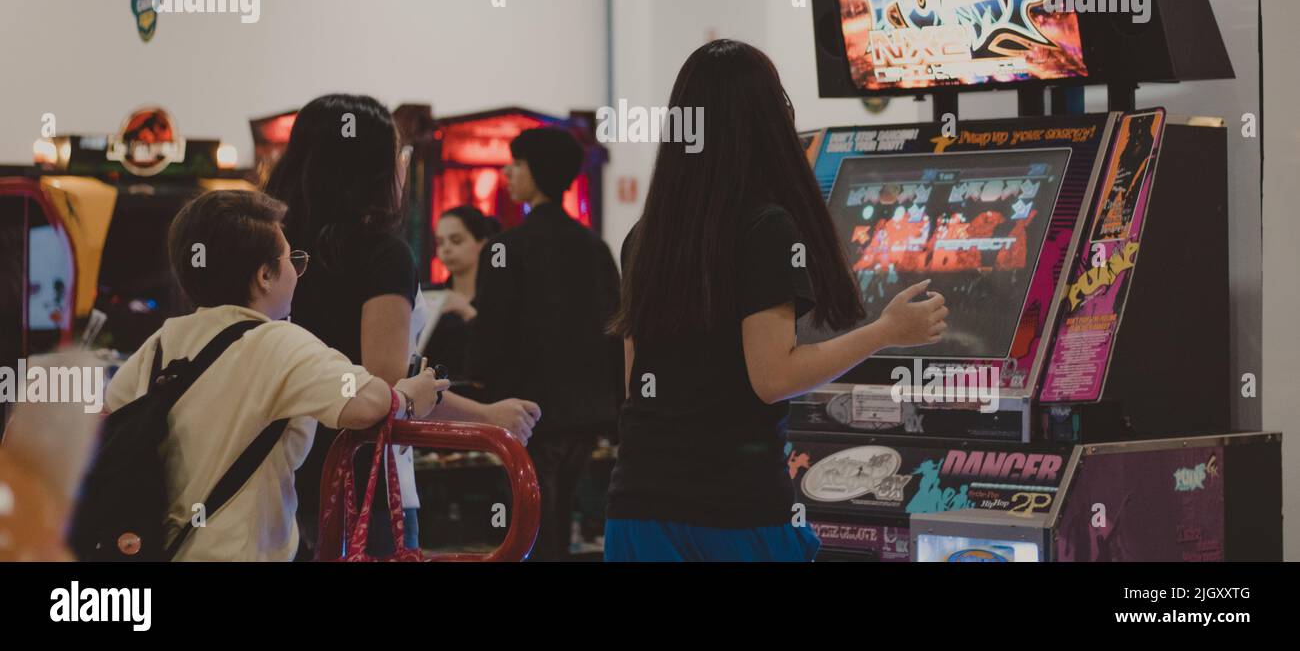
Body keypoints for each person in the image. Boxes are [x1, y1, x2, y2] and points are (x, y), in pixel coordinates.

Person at [605, 39, 947, 562]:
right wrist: (886, 331)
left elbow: (636, 382)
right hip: (732, 507)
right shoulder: (765, 228)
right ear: (766, 121)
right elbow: (773, 378)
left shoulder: (643, 236)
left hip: (637, 506)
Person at [264, 94, 540, 558]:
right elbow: (386, 387)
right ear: (375, 167)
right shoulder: (380, 254)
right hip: (358, 475)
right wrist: (488, 417)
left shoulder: (269, 246)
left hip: (271, 470)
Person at [103, 190, 446, 561]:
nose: (296, 274)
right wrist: (410, 395)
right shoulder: (276, 343)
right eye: (290, 261)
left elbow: (112, 420)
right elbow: (367, 402)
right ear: (265, 275)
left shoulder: (158, 346)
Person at [467, 126, 621, 560]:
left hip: (529, 411)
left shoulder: (504, 248)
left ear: (536, 172)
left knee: (530, 530)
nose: (508, 172)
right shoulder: (594, 246)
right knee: (565, 525)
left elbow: (490, 331)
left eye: (517, 164)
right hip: (588, 413)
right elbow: (614, 327)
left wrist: (477, 384)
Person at [422, 205, 501, 378]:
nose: (446, 249)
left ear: (482, 243)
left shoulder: (498, 299)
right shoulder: (429, 295)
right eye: (440, 242)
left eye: (456, 240)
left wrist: (467, 312)